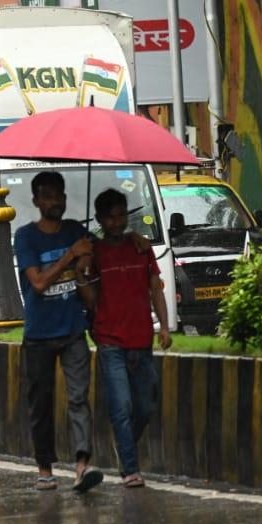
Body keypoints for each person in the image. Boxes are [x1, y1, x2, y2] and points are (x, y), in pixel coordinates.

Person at [13, 170, 100, 492]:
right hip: (38, 334)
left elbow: (89, 266)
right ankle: (45, 467)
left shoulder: (77, 232)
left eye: (59, 195)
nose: (54, 202)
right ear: (36, 201)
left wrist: (84, 260)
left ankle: (82, 465)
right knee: (41, 402)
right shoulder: (25, 237)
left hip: (73, 330)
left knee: (79, 398)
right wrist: (70, 255)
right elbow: (38, 283)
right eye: (47, 196)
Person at [80, 188, 171, 488]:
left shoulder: (141, 248)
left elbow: (155, 288)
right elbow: (90, 299)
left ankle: (125, 445)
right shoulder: (95, 252)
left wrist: (165, 327)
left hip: (142, 340)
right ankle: (130, 469)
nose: (117, 222)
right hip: (110, 343)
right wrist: (82, 272)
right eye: (110, 217)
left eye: (121, 216)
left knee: (145, 405)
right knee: (122, 406)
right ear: (100, 220)